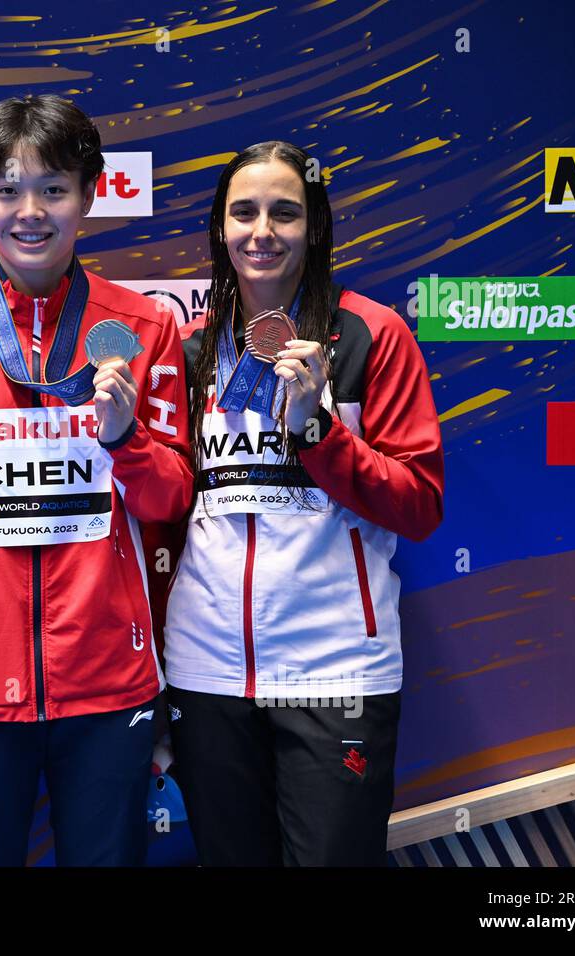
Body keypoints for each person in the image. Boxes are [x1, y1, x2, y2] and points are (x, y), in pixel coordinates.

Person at [0, 95, 192, 866]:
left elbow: (170, 502)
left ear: (89, 194)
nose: (31, 211)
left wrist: (125, 441)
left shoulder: (143, 326)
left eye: (53, 189)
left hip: (108, 683)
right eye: (6, 189)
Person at [162, 141, 444, 866]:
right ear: (220, 229)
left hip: (336, 669)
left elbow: (419, 505)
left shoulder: (371, 335)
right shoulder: (188, 351)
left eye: (284, 213)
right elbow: (164, 508)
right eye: (243, 212)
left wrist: (315, 431)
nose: (262, 231)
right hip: (208, 669)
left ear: (315, 226)